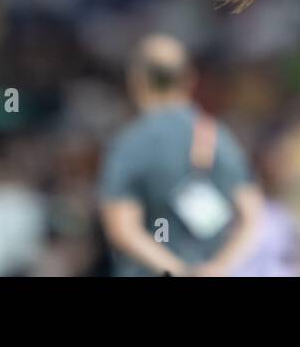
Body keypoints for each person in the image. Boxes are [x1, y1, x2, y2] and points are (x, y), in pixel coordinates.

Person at [98, 34, 263, 276]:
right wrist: (217, 268)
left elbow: (121, 228)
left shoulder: (130, 144)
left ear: (137, 80)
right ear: (189, 78)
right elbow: (252, 217)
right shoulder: (217, 136)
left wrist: (176, 270)